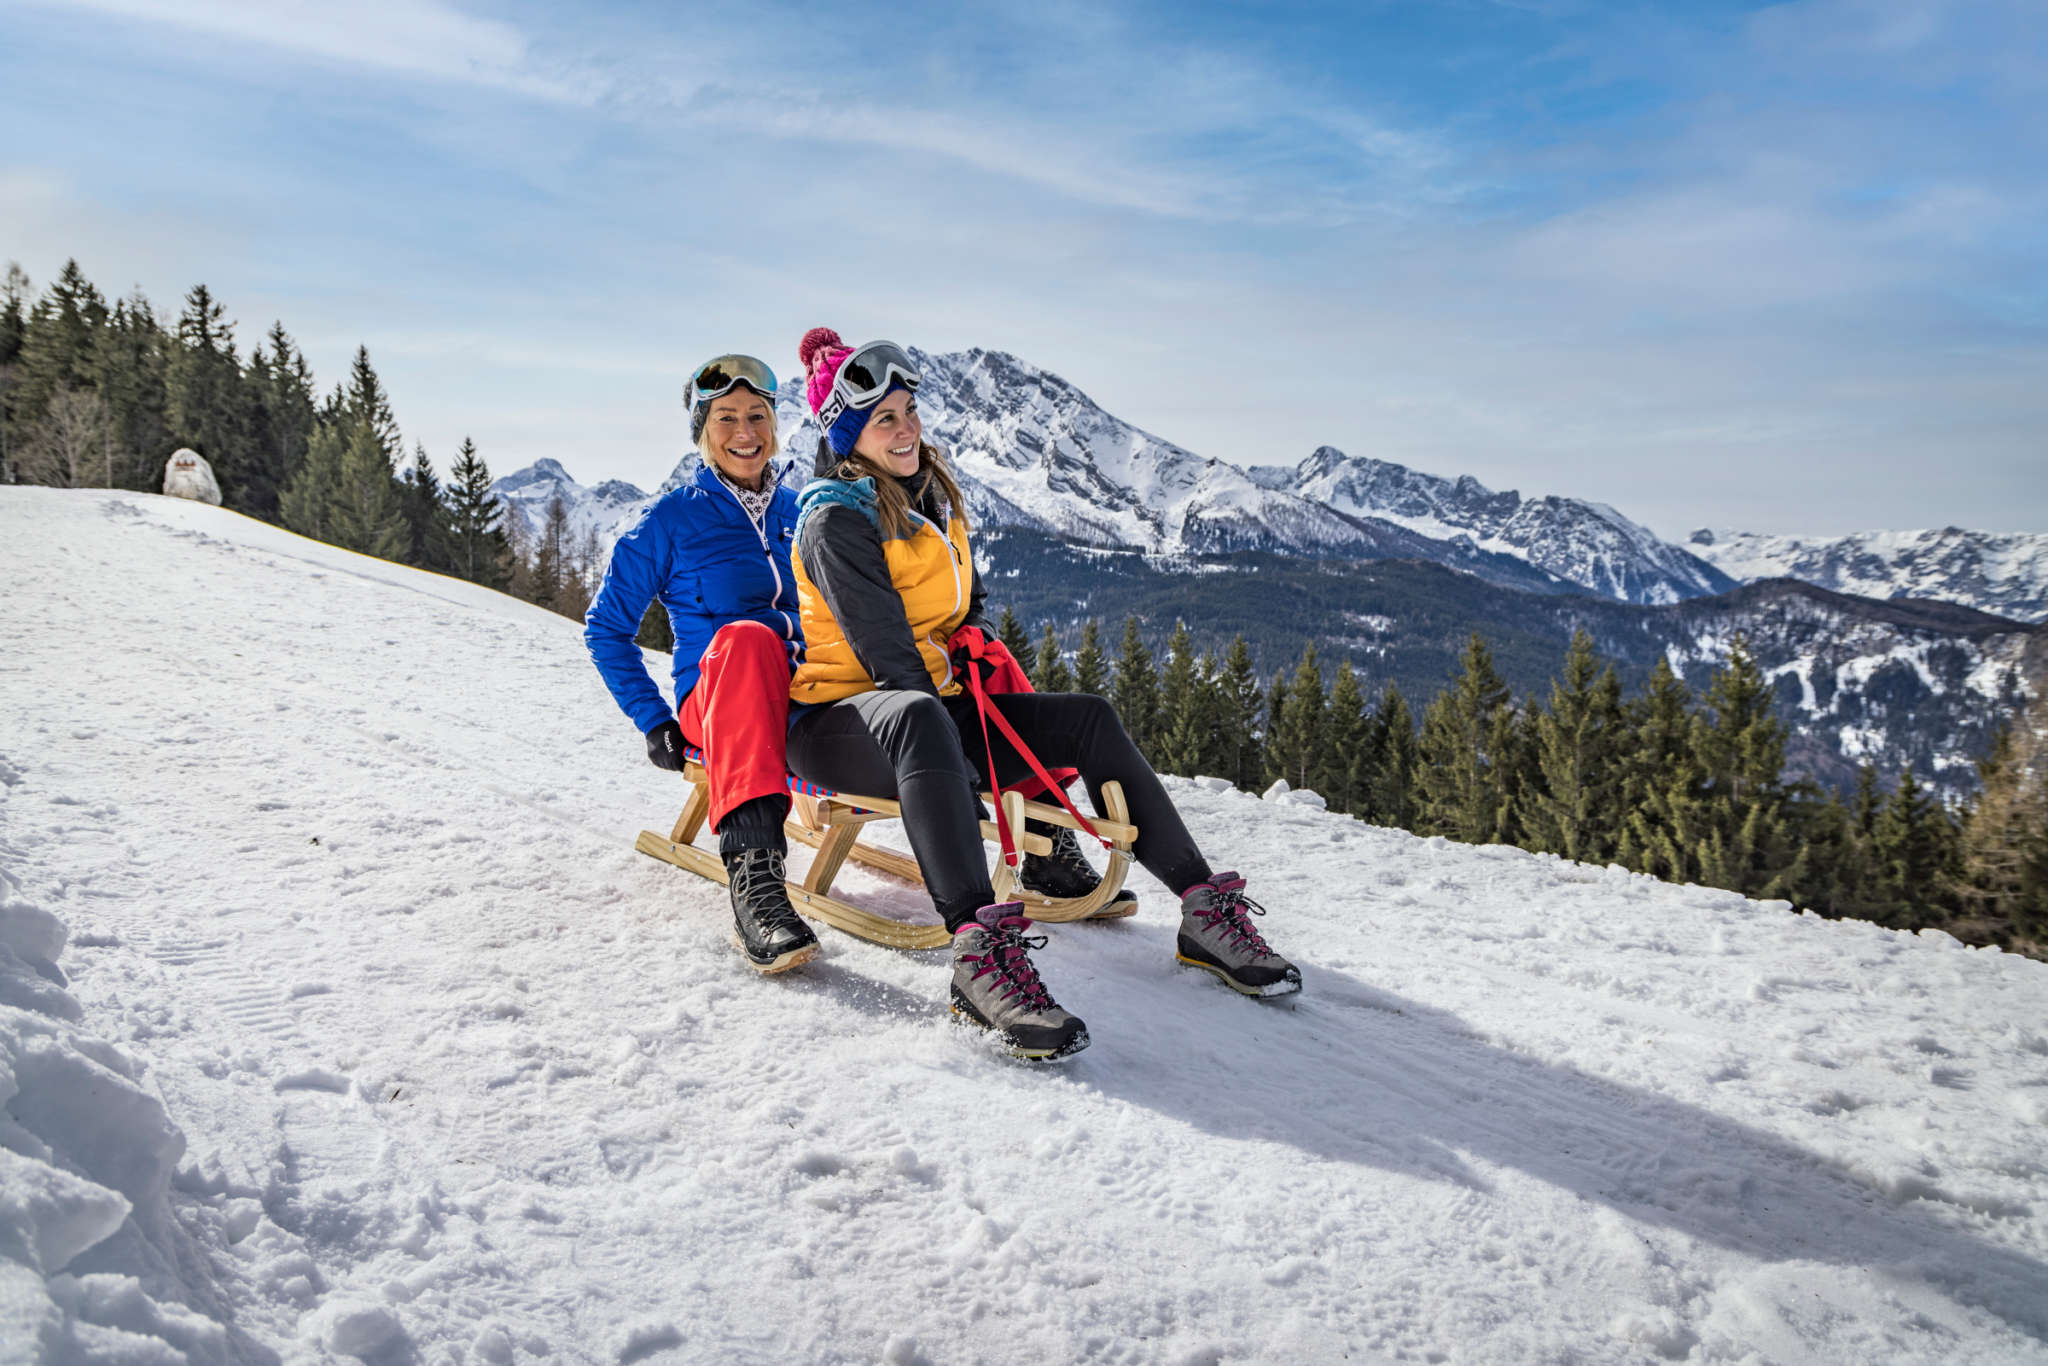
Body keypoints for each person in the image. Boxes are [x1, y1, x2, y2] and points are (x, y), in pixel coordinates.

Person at [782, 328, 1301, 1061]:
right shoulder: (834, 517)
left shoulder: (929, 494)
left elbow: (968, 603)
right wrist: (961, 773)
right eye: (883, 420)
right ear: (847, 434)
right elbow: (889, 660)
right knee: (924, 715)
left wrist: (970, 642)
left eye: (909, 411)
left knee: (1087, 719)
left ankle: (1201, 909)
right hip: (838, 725)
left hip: (924, 712)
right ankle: (977, 957)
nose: (906, 430)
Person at [585, 354, 819, 974]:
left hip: (809, 694)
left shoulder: (801, 512)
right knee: (746, 639)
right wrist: (652, 718)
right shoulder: (670, 519)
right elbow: (606, 628)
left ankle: (1037, 839)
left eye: (757, 416)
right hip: (717, 702)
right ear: (701, 432)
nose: (744, 431)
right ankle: (756, 880)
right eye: (725, 418)